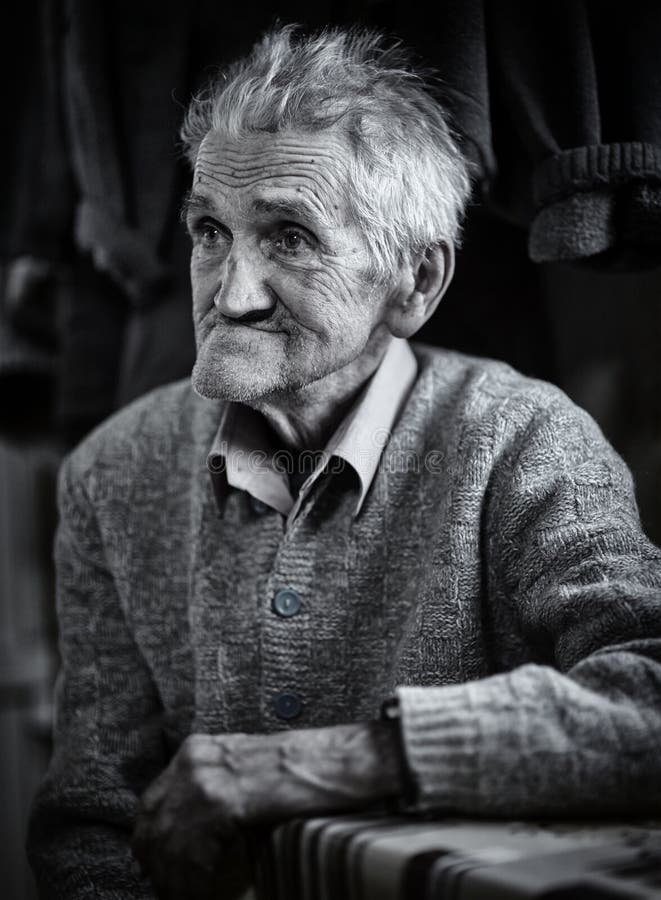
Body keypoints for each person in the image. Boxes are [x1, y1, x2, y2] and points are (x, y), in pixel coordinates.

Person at [27, 24, 661, 900]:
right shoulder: (111, 470)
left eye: (288, 237)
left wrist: (331, 760)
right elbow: (93, 820)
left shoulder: (522, 440)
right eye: (210, 230)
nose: (228, 293)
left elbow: (650, 700)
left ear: (415, 282)